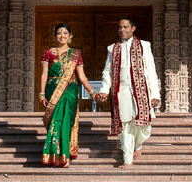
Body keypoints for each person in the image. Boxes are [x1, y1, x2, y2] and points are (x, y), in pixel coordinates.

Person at [94, 18, 160, 168]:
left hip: (141, 91)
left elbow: (151, 71)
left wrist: (155, 94)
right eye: (120, 27)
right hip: (121, 92)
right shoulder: (113, 48)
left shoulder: (144, 46)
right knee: (125, 125)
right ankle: (127, 159)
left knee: (144, 128)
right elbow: (107, 72)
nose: (122, 30)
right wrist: (104, 90)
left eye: (125, 27)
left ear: (133, 28)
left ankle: (137, 146)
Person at [38, 24, 93, 167]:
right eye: (59, 33)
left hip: (70, 90)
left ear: (70, 36)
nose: (62, 35)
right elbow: (44, 75)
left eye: (65, 33)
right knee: (55, 121)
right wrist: (42, 94)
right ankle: (52, 155)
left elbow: (82, 77)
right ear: (54, 36)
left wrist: (92, 92)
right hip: (53, 89)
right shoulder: (48, 53)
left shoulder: (76, 54)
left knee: (66, 121)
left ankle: (64, 155)